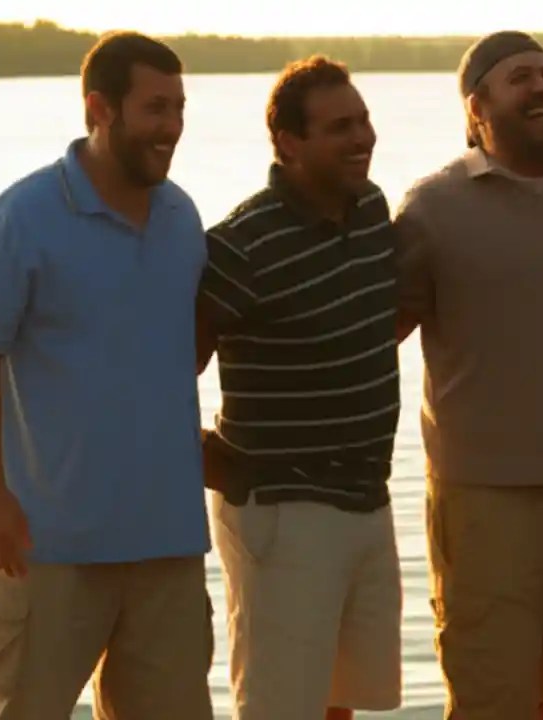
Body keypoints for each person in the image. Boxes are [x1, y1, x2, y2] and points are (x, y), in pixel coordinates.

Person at [0, 31, 213, 719]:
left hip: (167, 547)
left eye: (180, 108)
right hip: (44, 547)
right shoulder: (18, 220)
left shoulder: (183, 218)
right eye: (155, 109)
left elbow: (165, 352)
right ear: (99, 108)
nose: (172, 127)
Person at [393, 31, 543, 720]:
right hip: (479, 501)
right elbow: (378, 329)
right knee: (488, 699)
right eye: (521, 77)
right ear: (477, 107)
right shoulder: (432, 207)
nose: (542, 87)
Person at [195, 55, 402, 720]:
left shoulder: (371, 210)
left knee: (341, 704)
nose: (362, 137)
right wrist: (210, 458)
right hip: (282, 516)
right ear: (289, 143)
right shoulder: (240, 246)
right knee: (281, 709)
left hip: (368, 500)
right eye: (340, 126)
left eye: (364, 120)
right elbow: (158, 373)